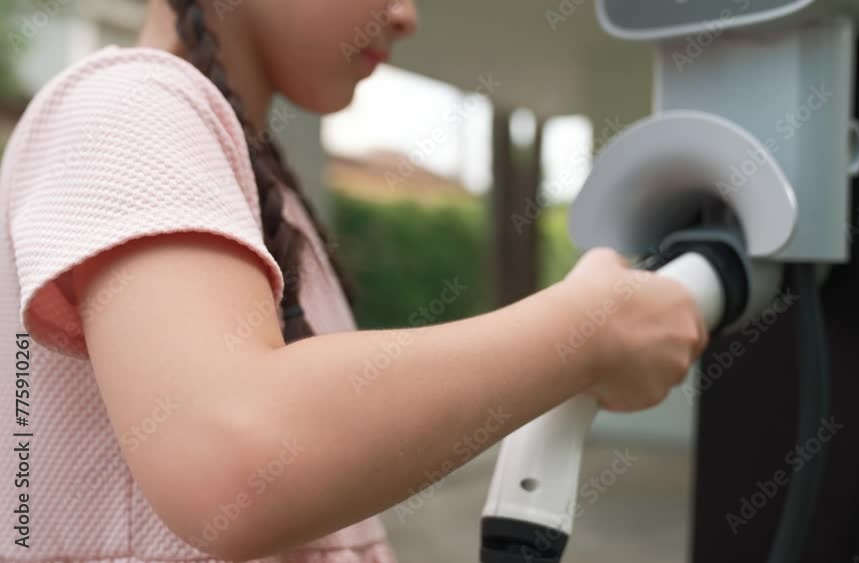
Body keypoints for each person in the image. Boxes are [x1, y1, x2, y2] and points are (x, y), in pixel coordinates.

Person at [0, 0, 708, 561]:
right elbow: (234, 454)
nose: (409, 15)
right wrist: (588, 330)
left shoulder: (256, 176)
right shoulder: (130, 104)